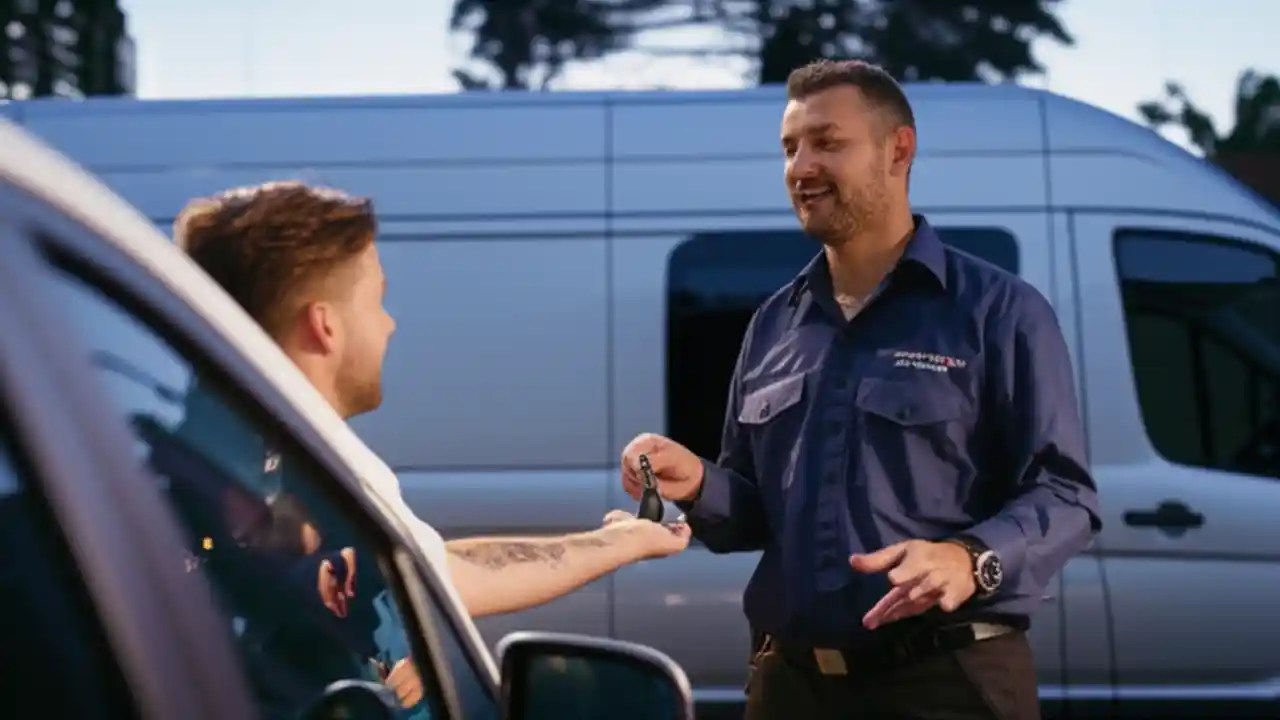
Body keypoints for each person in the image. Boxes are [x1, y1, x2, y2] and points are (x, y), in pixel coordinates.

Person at [620, 59, 1102, 720]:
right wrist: (698, 482)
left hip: (948, 684)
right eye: (790, 148)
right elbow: (758, 516)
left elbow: (1066, 494)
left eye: (826, 142)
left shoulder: (999, 312)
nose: (800, 166)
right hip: (791, 689)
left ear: (898, 150)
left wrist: (972, 559)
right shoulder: (773, 324)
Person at [172, 180, 691, 709]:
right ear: (324, 325)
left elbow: (434, 572)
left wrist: (623, 543)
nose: (390, 324)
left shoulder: (259, 458)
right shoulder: (270, 492)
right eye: (377, 300)